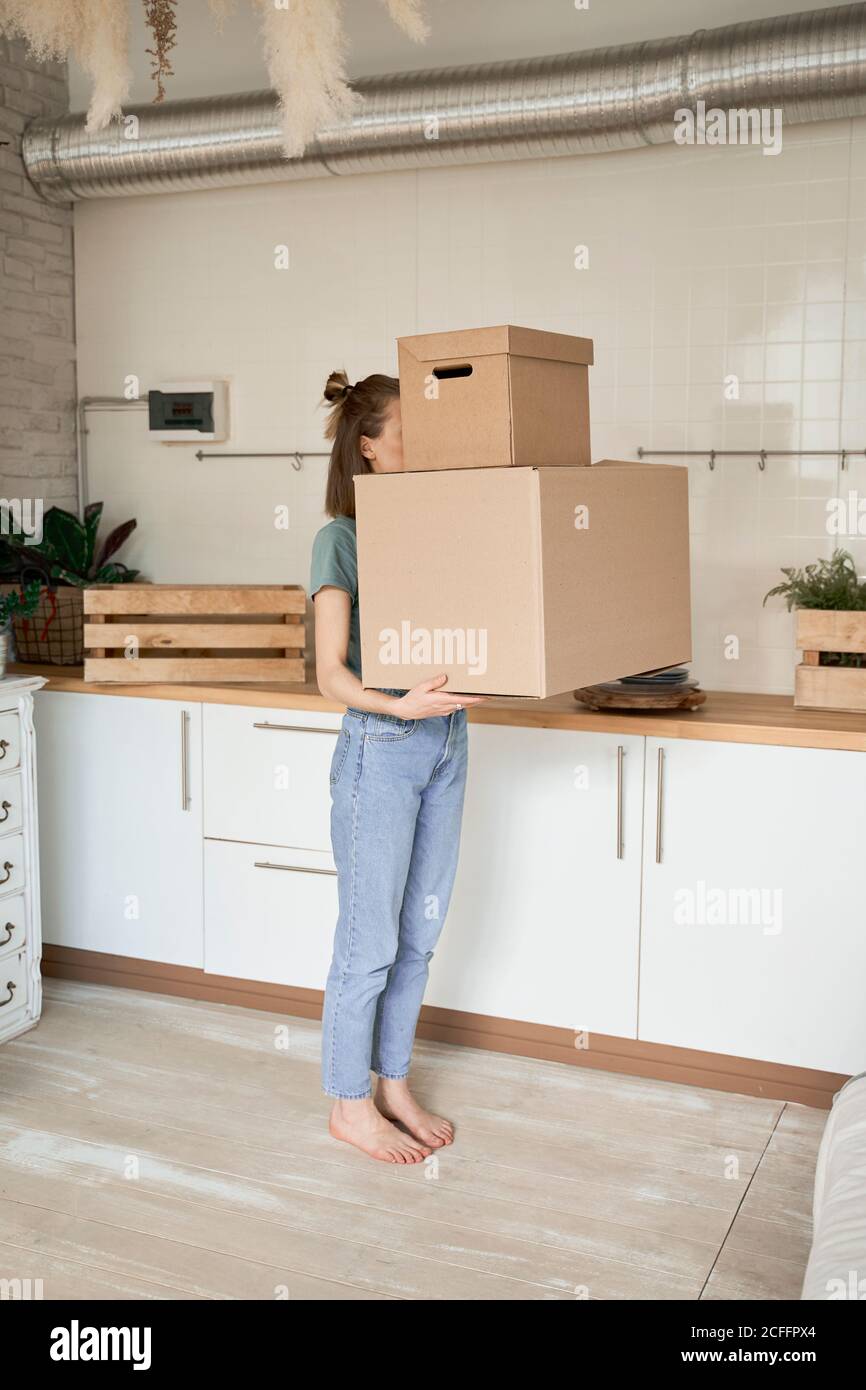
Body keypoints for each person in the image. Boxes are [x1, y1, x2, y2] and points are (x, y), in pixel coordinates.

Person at [310, 369, 484, 1164]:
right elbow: (332, 674)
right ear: (370, 447)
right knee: (369, 939)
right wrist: (398, 707)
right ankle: (348, 1105)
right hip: (383, 744)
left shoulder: (443, 531)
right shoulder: (340, 539)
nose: (425, 451)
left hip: (447, 739)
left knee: (419, 933)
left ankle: (393, 1083)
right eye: (411, 435)